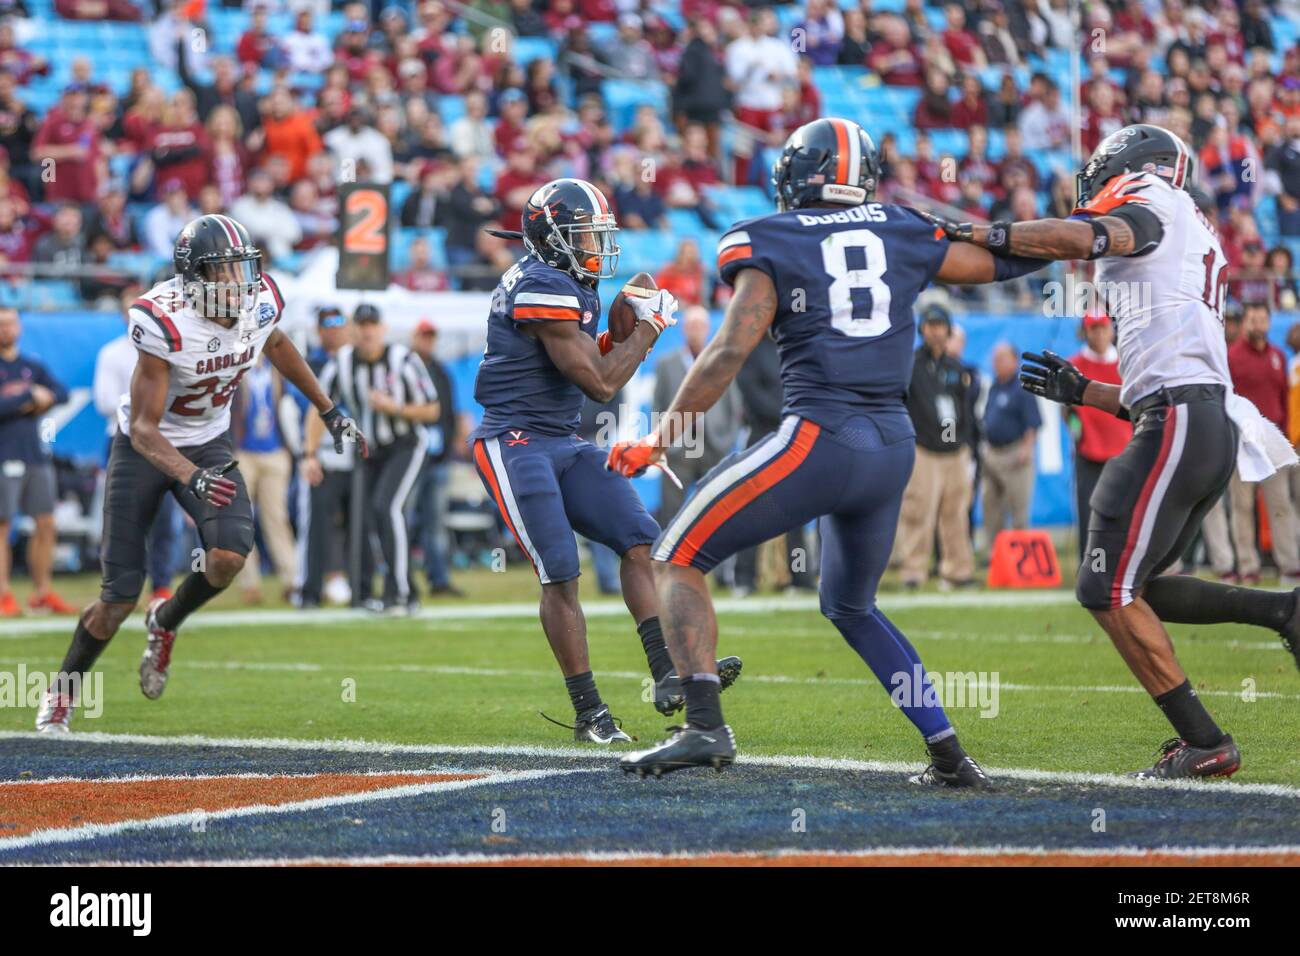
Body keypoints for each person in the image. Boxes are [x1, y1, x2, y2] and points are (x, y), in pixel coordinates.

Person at [608, 117, 1048, 781]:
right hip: (892, 445)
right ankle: (949, 753)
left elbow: (729, 348)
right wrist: (1087, 235)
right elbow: (1003, 258)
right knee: (850, 605)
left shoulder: (771, 237)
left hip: (819, 438)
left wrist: (658, 438)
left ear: (798, 173)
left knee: (675, 555)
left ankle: (704, 728)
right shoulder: (903, 226)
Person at [932, 124, 1300, 778]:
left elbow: (1091, 236)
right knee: (1139, 586)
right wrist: (1086, 391)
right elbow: (1157, 378)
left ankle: (1205, 740)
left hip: (1183, 419)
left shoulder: (1148, 195)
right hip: (1193, 419)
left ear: (1120, 165)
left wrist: (989, 232)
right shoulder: (1187, 225)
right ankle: (1282, 611)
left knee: (1105, 585)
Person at [35, 215, 366, 733]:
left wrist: (327, 409)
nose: (238, 284)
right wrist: (190, 476)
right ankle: (64, 690)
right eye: (223, 271)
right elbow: (144, 429)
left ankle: (166, 622)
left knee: (230, 557)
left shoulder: (260, 302)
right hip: (147, 448)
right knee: (117, 598)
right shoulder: (162, 320)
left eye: (242, 269)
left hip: (209, 440)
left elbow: (275, 344)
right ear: (192, 278)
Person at [472, 178, 739, 743]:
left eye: (597, 234)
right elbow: (599, 383)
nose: (595, 245)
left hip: (562, 440)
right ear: (551, 239)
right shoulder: (540, 284)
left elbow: (599, 345)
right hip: (514, 442)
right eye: (584, 235)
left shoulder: (565, 279)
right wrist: (649, 327)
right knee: (561, 571)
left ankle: (667, 672)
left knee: (642, 539)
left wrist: (635, 304)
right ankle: (590, 711)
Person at [308, 304, 436, 613]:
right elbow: (319, 407)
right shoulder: (341, 362)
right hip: (370, 451)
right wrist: (309, 453)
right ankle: (381, 591)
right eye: (362, 325)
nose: (367, 331)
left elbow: (433, 409)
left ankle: (402, 594)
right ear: (353, 330)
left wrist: (395, 408)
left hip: (406, 444)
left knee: (386, 507)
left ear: (383, 328)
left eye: (372, 324)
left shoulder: (403, 360)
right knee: (369, 517)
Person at [93, 284, 181, 603]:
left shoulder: (169, 348)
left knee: (165, 517)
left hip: (163, 438)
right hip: (125, 438)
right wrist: (143, 405)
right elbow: (105, 401)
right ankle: (121, 584)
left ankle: (161, 584)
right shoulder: (113, 353)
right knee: (123, 517)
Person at [897, 306, 976, 588]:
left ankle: (957, 571)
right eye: (930, 325)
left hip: (955, 449)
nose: (935, 330)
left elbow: (966, 410)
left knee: (956, 514)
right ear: (922, 329)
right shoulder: (911, 365)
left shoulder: (955, 367)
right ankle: (913, 571)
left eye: (940, 325)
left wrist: (967, 445)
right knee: (919, 511)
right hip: (924, 448)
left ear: (948, 330)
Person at [0, 307, 72, 617]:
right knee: (3, 525)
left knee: (46, 523)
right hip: (3, 454)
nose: (7, 329)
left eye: (11, 323)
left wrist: (37, 396)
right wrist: (29, 396)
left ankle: (42, 592)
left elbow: (62, 394)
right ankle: (3, 594)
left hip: (35, 454)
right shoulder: (26, 379)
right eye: (2, 324)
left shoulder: (31, 365)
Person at [1225, 301, 1299, 584]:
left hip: (1273, 441)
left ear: (1268, 322)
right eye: (1253, 319)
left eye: (1262, 318)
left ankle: (1289, 565)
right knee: (1242, 507)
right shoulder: (1231, 357)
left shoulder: (1278, 357)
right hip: (1242, 441)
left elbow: (1283, 401)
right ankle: (1248, 567)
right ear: (1245, 323)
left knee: (1281, 504)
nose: (1258, 324)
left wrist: (1287, 440)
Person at [651, 305, 742, 525]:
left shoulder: (720, 363)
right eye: (691, 325)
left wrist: (726, 440)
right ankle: (668, 560)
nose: (696, 330)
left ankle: (712, 561)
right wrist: (664, 444)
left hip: (714, 447)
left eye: (700, 325)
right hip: (678, 451)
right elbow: (658, 407)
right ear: (683, 329)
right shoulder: (666, 364)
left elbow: (735, 406)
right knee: (671, 516)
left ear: (708, 328)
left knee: (715, 514)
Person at [297, 306, 357, 609]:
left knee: (359, 523)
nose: (334, 330)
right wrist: (306, 452)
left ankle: (357, 584)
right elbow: (305, 409)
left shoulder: (358, 361)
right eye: (328, 325)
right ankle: (309, 589)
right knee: (316, 524)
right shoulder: (310, 364)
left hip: (356, 455)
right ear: (319, 330)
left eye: (339, 324)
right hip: (322, 452)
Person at [232, 353, 298, 603]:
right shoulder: (234, 365)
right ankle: (249, 582)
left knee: (277, 518)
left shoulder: (278, 368)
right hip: (243, 452)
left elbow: (292, 405)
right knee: (242, 519)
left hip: (274, 451)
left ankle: (291, 578)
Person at [1067, 313, 1130, 563]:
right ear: (1085, 332)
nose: (1098, 334)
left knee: (1124, 513)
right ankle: (1091, 566)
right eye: (1093, 329)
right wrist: (1076, 430)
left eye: (1102, 328)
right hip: (1089, 451)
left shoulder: (1125, 364)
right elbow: (1068, 410)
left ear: (1111, 330)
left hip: (1124, 452)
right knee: (1089, 513)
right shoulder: (1075, 365)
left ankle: (1121, 566)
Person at [409, 318, 460, 597]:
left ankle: (439, 579)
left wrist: (448, 449)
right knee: (403, 520)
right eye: (424, 336)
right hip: (409, 458)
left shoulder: (441, 371)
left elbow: (449, 413)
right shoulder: (403, 366)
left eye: (431, 337)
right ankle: (403, 579)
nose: (428, 341)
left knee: (436, 525)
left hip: (437, 458)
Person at [980, 341, 1042, 546]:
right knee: (991, 507)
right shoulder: (994, 387)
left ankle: (1021, 558)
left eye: (1002, 358)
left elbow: (1033, 423)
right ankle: (996, 556)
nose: (997, 362)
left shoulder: (1022, 387)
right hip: (993, 454)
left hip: (1015, 453)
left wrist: (1027, 448)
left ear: (1014, 361)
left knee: (1018, 510)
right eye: (995, 358)